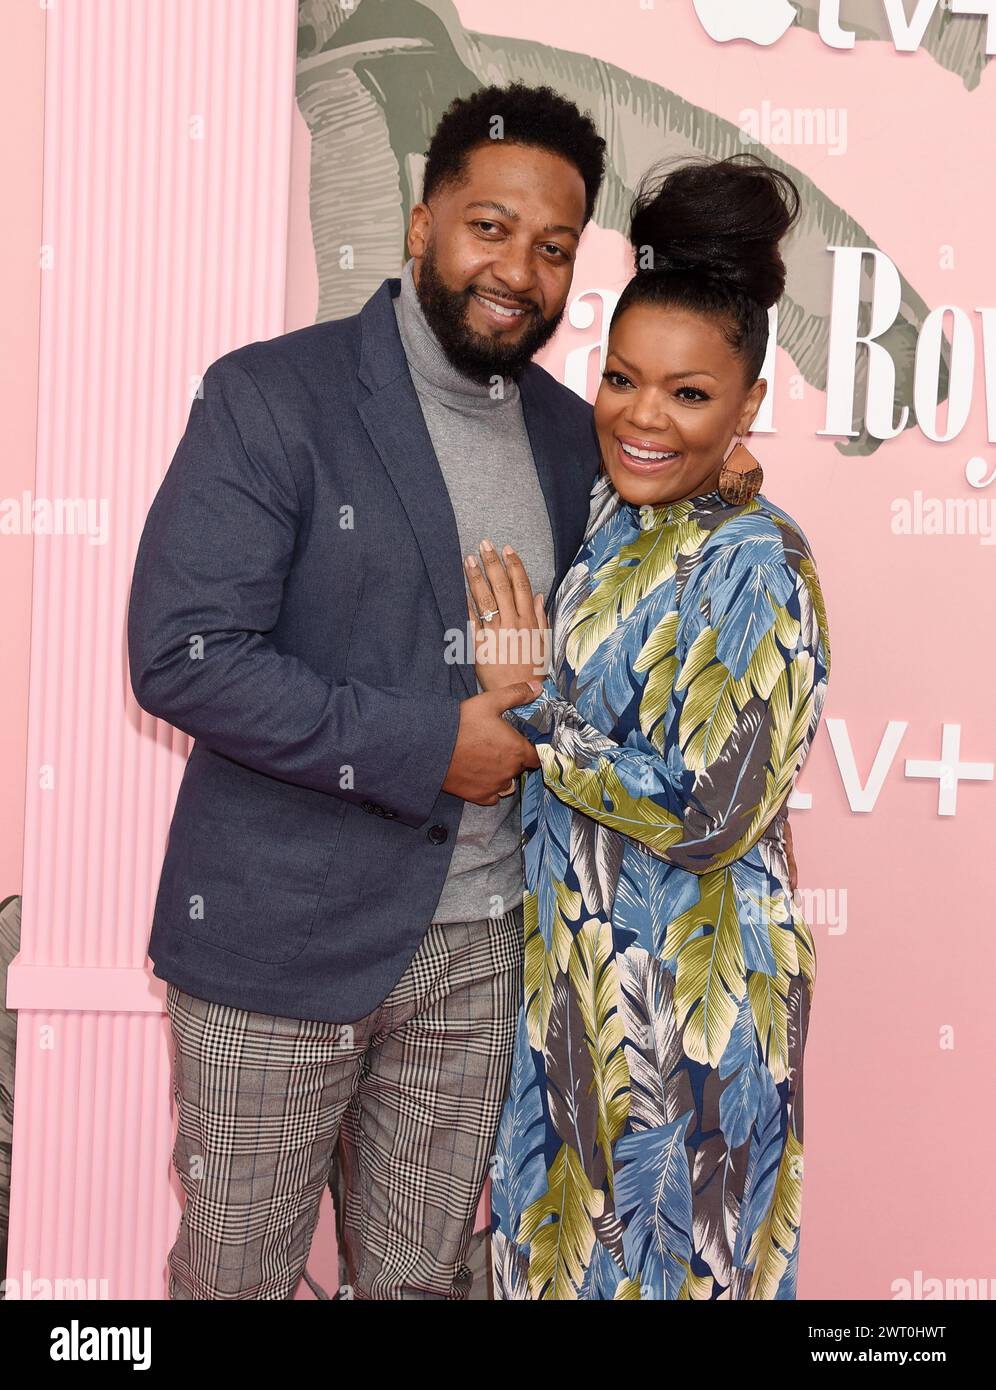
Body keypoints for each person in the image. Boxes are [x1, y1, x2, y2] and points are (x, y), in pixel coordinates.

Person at [126, 82, 608, 1299]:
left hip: (483, 948)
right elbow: (183, 651)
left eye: (554, 247)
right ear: (420, 221)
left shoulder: (572, 438)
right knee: (235, 1276)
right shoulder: (271, 395)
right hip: (279, 941)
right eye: (490, 227)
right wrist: (430, 745)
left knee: (420, 1281)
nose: (519, 271)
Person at [468, 153, 831, 1299]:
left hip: (691, 1019)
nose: (642, 417)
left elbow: (714, 811)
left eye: (689, 395)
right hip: (573, 995)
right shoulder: (615, 519)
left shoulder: (760, 559)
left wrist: (533, 708)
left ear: (747, 406)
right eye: (623, 379)